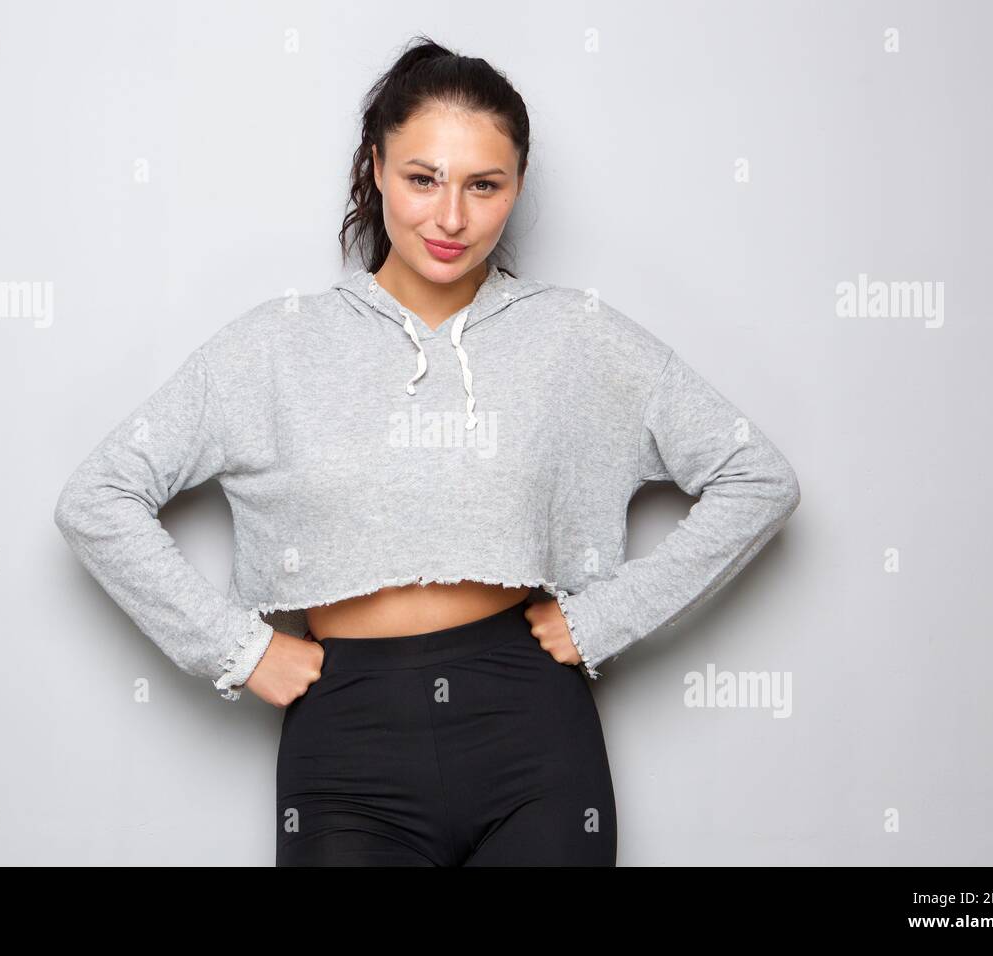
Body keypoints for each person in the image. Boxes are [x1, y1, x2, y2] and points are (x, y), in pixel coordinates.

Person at [53, 35, 801, 867]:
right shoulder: (276, 347)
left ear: (516, 188)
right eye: (423, 179)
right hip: (345, 742)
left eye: (485, 185)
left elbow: (756, 477)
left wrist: (605, 618)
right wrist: (237, 649)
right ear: (375, 169)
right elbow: (98, 499)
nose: (451, 218)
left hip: (533, 736)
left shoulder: (574, 340)